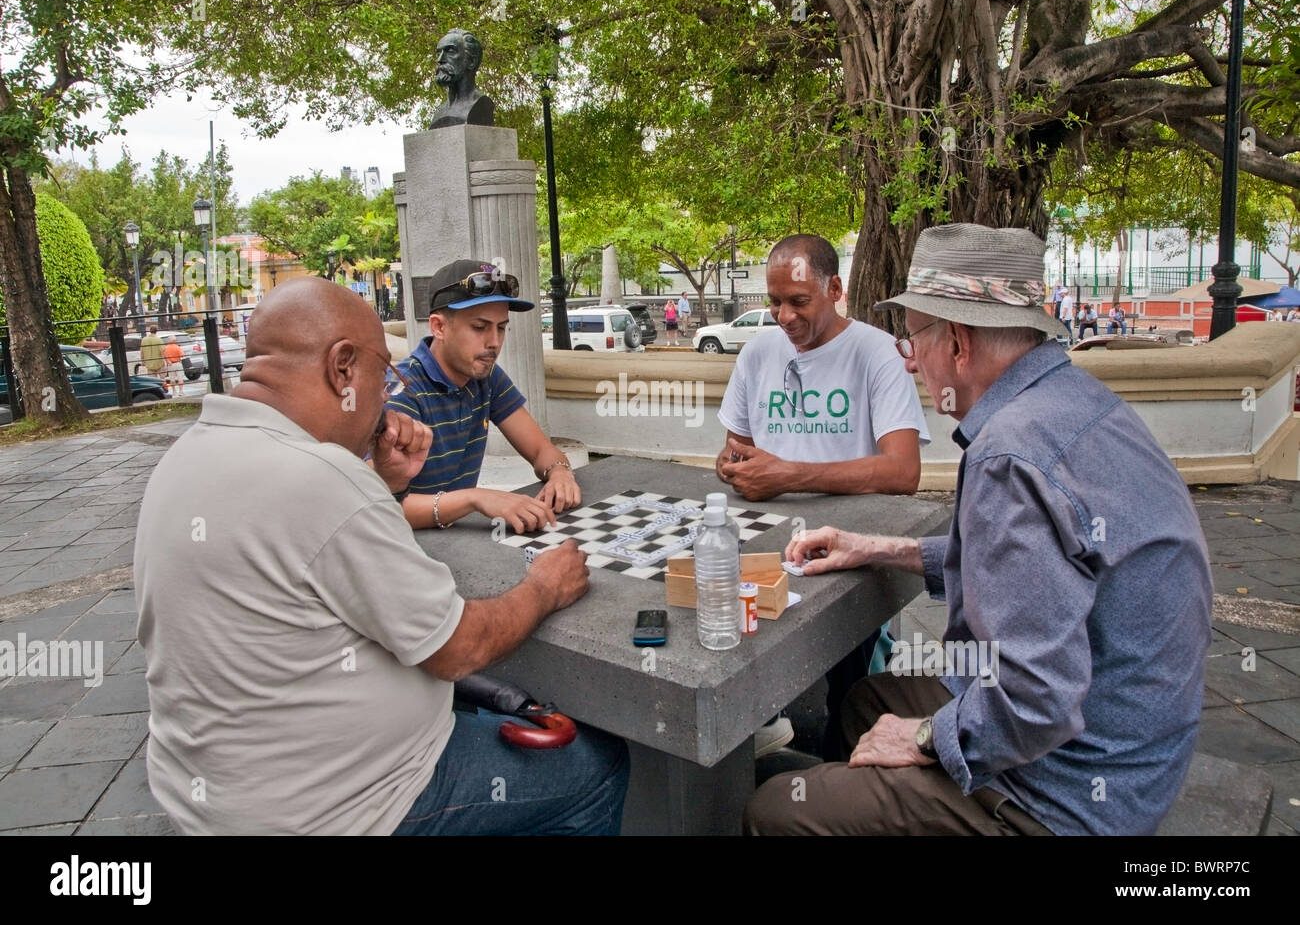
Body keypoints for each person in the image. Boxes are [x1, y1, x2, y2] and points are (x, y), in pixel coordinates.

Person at [745, 223, 1211, 835]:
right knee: (865, 701)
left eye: (914, 342)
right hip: (1136, 752)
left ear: (959, 344)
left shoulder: (1008, 455)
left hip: (1067, 794)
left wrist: (920, 737)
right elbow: (1040, 563)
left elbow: (1038, 697)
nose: (911, 362)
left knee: (778, 807)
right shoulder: (1076, 402)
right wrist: (884, 547)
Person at [134, 277, 629, 835]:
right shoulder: (319, 477)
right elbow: (457, 649)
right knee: (595, 765)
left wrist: (385, 485)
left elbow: (313, 555)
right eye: (380, 374)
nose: (385, 396)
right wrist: (544, 587)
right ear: (343, 367)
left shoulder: (187, 456)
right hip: (342, 808)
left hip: (214, 792)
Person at [715, 233, 930, 760]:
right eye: (774, 302)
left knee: (849, 675)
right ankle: (757, 735)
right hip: (762, 536)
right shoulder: (758, 352)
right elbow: (734, 448)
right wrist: (733, 465)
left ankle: (842, 766)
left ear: (835, 288)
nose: (783, 316)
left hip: (847, 544)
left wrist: (790, 474)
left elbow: (903, 471)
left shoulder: (876, 352)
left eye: (799, 301)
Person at [386, 260, 581, 533]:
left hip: (458, 543)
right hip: (399, 551)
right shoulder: (400, 391)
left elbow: (540, 450)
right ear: (439, 327)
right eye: (480, 327)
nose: (494, 342)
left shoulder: (487, 377)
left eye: (501, 327)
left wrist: (559, 472)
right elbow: (380, 507)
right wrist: (476, 498)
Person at [428, 28, 495, 129]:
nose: (440, 59)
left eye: (450, 51)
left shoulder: (481, 105)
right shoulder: (439, 112)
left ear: (471, 61)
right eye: (438, 53)